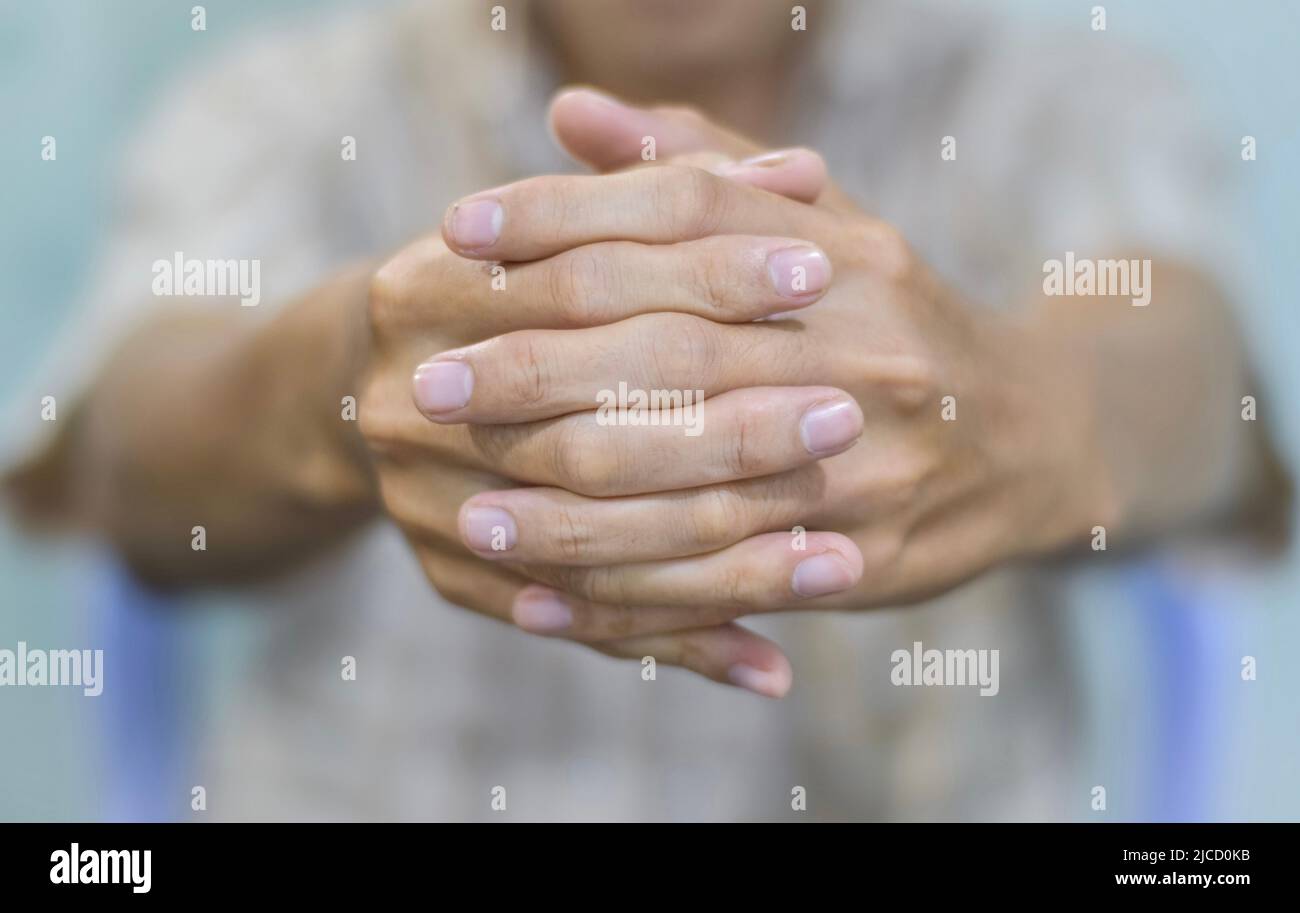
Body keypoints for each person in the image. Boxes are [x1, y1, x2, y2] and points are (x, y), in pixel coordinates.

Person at [3, 0, 1288, 820]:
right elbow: (130, 446)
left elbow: (1190, 365)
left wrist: (1042, 411)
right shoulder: (293, 110)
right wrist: (340, 374)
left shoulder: (1043, 101)